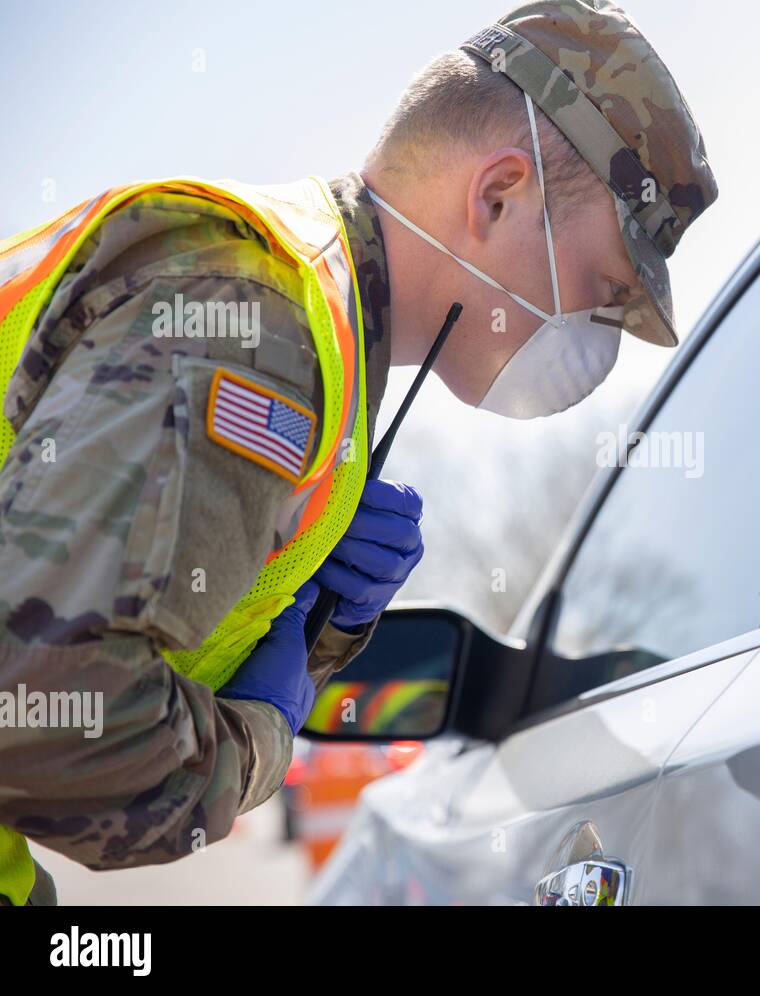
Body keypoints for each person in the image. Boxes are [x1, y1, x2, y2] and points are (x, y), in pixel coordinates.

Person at [0, 0, 716, 904]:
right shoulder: (258, 322)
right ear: (497, 196)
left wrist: (313, 633)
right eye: (606, 291)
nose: (597, 338)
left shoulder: (317, 345)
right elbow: (46, 718)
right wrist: (263, 736)